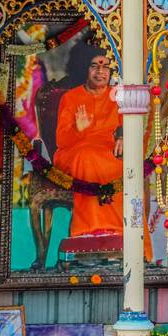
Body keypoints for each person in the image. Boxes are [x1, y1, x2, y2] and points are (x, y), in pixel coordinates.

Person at [53, 46, 124, 237]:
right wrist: (78, 129)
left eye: (106, 67)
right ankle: (87, 231)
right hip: (74, 152)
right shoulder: (71, 97)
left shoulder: (118, 97)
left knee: (123, 162)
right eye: (94, 66)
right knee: (87, 156)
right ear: (85, 69)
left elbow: (128, 124)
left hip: (107, 151)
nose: (100, 71)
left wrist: (123, 137)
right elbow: (61, 141)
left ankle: (117, 232)